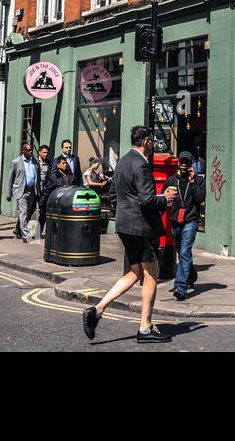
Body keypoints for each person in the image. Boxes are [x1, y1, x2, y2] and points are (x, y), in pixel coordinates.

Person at [83, 125, 174, 343]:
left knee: (135, 272)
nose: (153, 144)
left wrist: (124, 212)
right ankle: (145, 328)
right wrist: (166, 199)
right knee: (152, 273)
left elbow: (114, 194)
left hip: (125, 225)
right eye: (151, 141)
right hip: (141, 227)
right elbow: (147, 200)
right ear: (146, 142)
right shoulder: (141, 164)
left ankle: (97, 310)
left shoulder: (122, 161)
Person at [166, 152, 205, 301]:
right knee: (182, 252)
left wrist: (193, 181)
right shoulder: (171, 180)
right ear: (178, 163)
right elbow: (164, 198)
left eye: (186, 162)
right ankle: (192, 275)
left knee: (184, 252)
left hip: (191, 220)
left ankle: (180, 287)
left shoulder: (198, 180)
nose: (183, 164)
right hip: (175, 220)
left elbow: (201, 198)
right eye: (181, 161)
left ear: (190, 164)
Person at [7, 142, 39, 242]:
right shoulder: (16, 162)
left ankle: (17, 229)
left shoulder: (35, 161)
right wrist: (8, 193)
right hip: (21, 190)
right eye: (28, 150)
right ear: (23, 151)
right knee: (24, 212)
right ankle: (25, 235)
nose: (30, 152)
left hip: (32, 190)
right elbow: (10, 178)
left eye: (31, 150)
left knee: (28, 212)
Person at [34, 145, 53, 230]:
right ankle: (18, 230)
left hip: (43, 190)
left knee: (43, 212)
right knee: (29, 211)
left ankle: (38, 232)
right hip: (34, 189)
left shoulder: (49, 163)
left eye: (47, 153)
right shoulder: (33, 161)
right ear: (39, 152)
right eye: (44, 152)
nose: (46, 154)